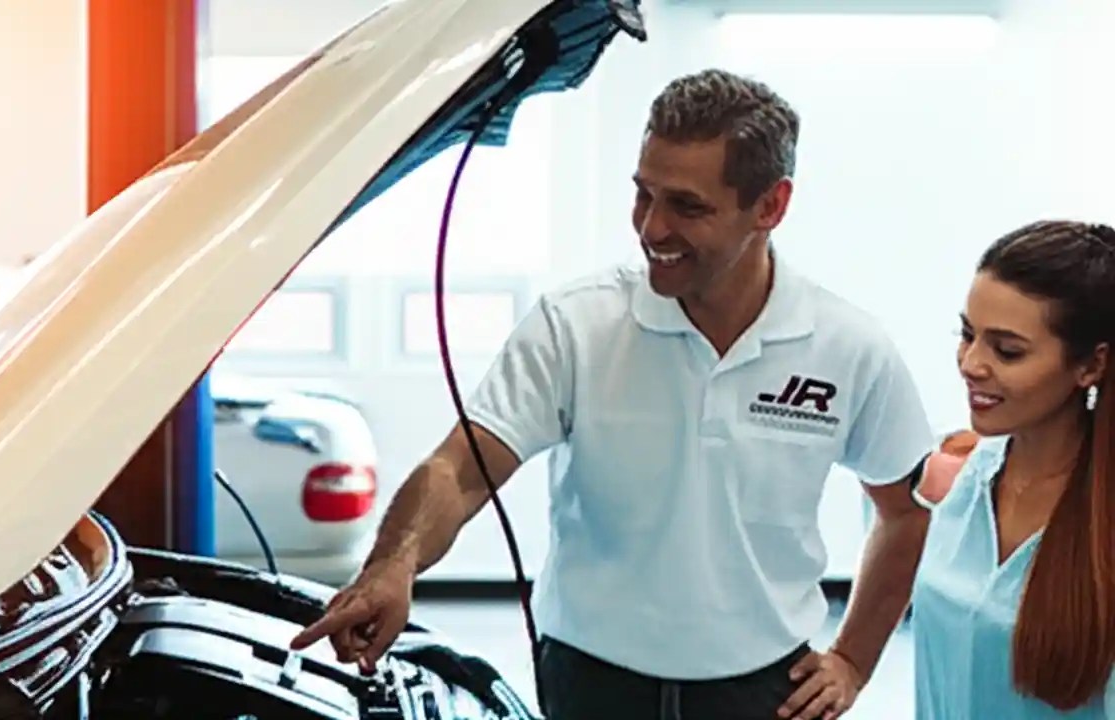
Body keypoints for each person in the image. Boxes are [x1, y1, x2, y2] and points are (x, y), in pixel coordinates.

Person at [290, 68, 936, 720]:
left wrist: (853, 660)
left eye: (688, 206)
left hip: (766, 690)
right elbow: (460, 470)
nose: (652, 228)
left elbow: (906, 509)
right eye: (643, 195)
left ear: (770, 206)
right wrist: (392, 567)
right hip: (590, 684)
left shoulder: (847, 347)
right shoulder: (577, 325)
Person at [911, 220, 1115, 718]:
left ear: (1090, 366)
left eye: (1007, 351)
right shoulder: (965, 480)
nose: (970, 363)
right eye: (967, 334)